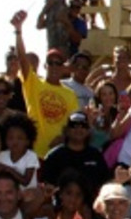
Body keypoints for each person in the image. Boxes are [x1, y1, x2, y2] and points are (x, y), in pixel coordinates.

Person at [11, 11, 80, 157]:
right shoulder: (33, 83)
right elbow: (22, 59)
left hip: (59, 154)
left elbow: (73, 125)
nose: (55, 66)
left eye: (58, 63)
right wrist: (18, 31)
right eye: (51, 63)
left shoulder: (70, 94)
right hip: (33, 153)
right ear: (45, 66)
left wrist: (63, 138)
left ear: (63, 67)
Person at [40, 112, 110, 205]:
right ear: (67, 130)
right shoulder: (54, 155)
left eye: (83, 126)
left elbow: (105, 182)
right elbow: (46, 184)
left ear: (88, 130)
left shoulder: (95, 155)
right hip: (60, 207)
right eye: (74, 126)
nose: (78, 129)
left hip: (90, 207)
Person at [0, 112, 39, 189]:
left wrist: (9, 170)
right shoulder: (1, 155)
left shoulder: (31, 156)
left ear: (28, 141)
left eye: (20, 138)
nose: (15, 142)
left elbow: (25, 181)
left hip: (28, 194)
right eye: (10, 138)